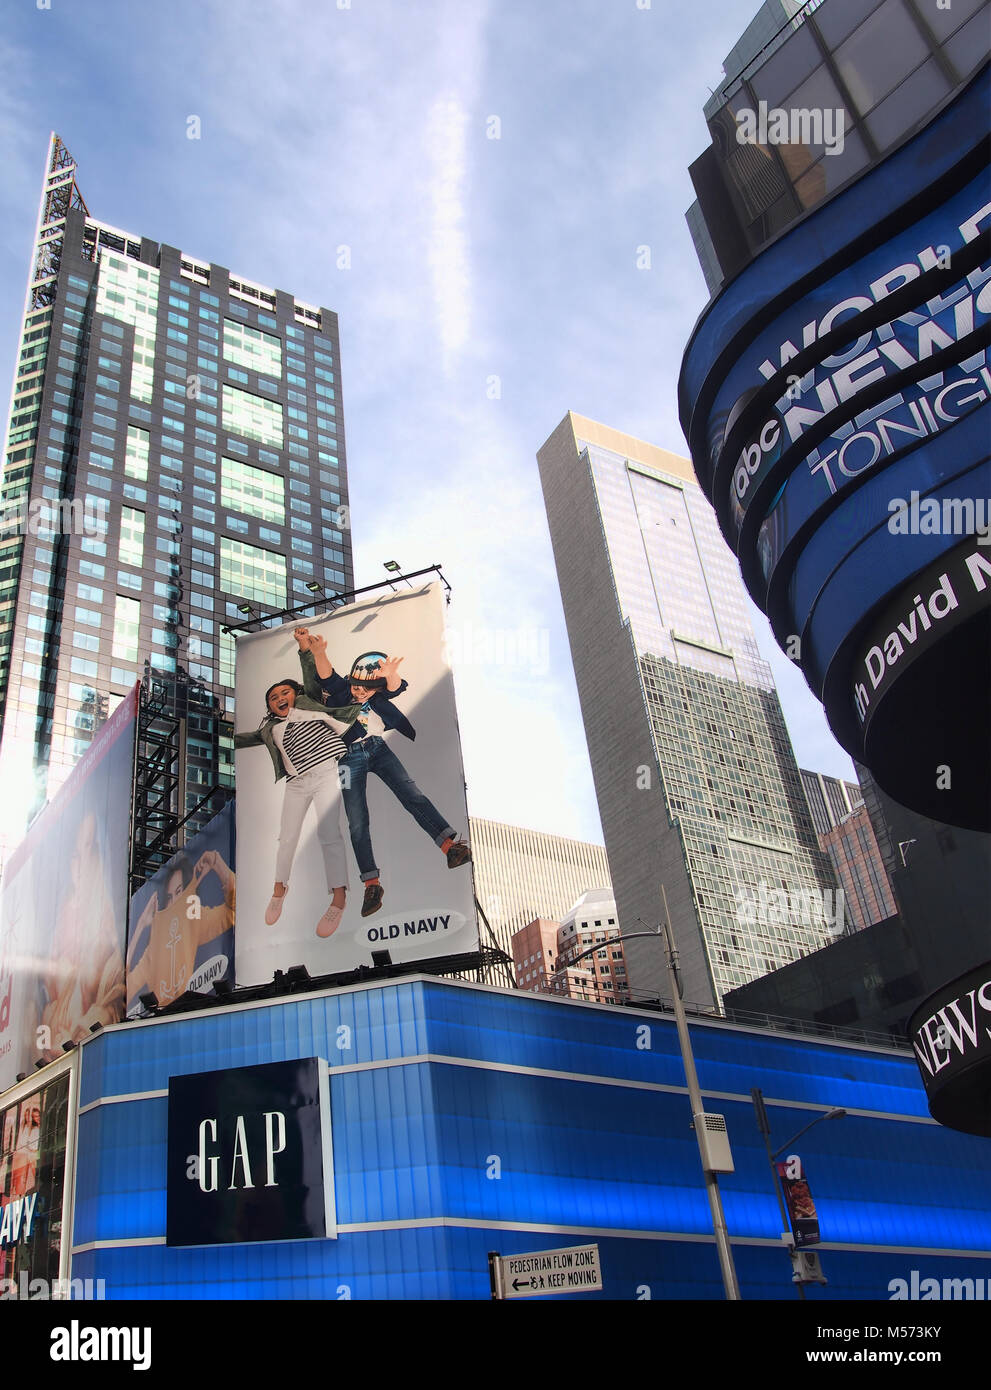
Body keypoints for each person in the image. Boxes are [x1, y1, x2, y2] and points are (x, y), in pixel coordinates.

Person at [293, 627, 470, 918]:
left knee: (411, 794)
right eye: (356, 687)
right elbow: (326, 674)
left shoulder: (377, 696)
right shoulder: (340, 692)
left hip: (377, 749)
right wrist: (320, 652)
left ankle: (450, 847)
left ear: (375, 689)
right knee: (357, 821)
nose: (359, 693)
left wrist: (388, 674)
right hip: (347, 760)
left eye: (366, 689)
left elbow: (396, 685)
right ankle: (371, 884)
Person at [235, 677, 354, 937]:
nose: (279, 698)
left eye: (284, 692)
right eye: (273, 697)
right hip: (297, 782)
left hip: (326, 773)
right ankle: (279, 889)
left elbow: (311, 675)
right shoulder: (272, 729)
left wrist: (304, 650)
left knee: (328, 833)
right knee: (287, 837)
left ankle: (339, 897)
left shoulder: (309, 705)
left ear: (296, 694)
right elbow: (243, 739)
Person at [126, 848, 236, 1010]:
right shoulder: (153, 950)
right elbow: (125, 990)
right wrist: (141, 925)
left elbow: (235, 908)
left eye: (179, 892)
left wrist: (216, 862)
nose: (174, 903)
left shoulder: (195, 921)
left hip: (196, 1013)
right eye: (169, 897)